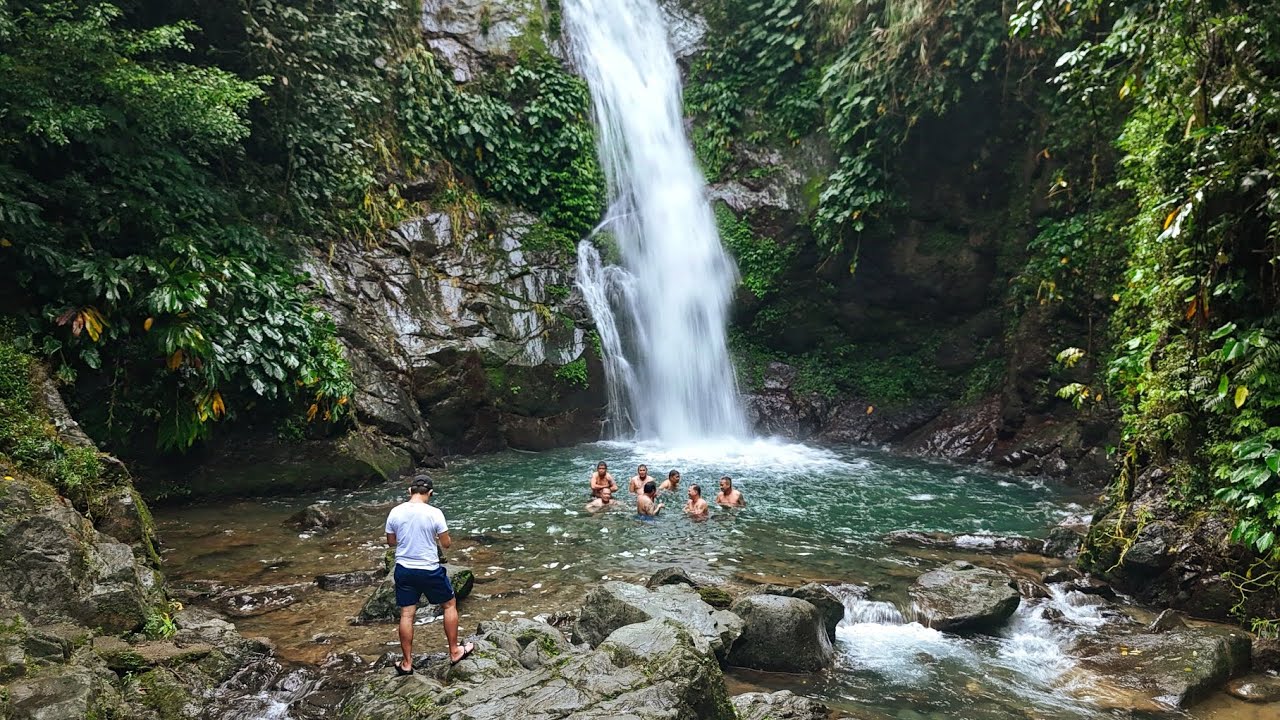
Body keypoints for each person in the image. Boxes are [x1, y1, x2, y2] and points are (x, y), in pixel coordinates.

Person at [384, 475, 474, 675]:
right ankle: (454, 651)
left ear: (410, 491)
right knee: (449, 604)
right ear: (430, 493)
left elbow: (391, 542)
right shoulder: (435, 513)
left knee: (407, 614)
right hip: (429, 569)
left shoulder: (395, 512)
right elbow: (446, 544)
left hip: (404, 569)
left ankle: (407, 663)